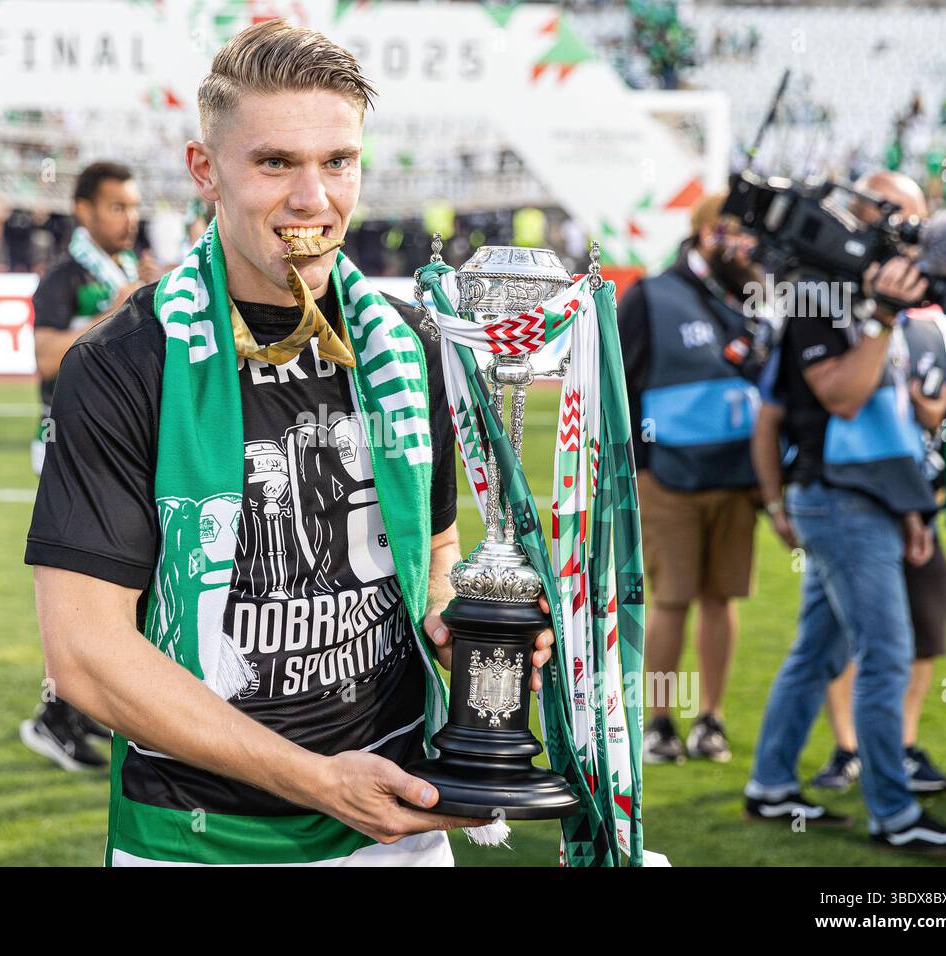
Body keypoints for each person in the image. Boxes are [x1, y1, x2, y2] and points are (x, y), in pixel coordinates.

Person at [27, 20, 555, 866]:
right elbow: (86, 656)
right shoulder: (126, 362)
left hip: (400, 819)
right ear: (207, 171)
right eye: (275, 163)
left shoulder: (410, 343)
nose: (314, 198)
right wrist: (316, 779)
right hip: (196, 837)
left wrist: (471, 629)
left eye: (337, 162)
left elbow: (439, 548)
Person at [742, 170, 946, 858]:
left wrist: (913, 504)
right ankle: (894, 812)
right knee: (886, 655)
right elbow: (844, 398)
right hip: (839, 499)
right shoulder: (822, 297)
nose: (917, 247)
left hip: (874, 496)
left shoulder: (869, 301)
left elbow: (891, 422)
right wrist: (882, 317)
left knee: (817, 651)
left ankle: (769, 784)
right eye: (904, 227)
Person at [19, 161, 158, 772]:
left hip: (127, 447)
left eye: (132, 206)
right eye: (115, 207)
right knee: (76, 589)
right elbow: (46, 358)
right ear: (83, 211)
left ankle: (78, 710)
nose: (129, 218)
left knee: (122, 589)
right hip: (70, 448)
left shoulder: (133, 269)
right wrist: (119, 308)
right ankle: (54, 716)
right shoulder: (65, 276)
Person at [618, 192, 764, 764]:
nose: (747, 246)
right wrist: (639, 470)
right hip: (667, 478)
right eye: (736, 233)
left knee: (721, 599)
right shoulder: (652, 295)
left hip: (736, 478)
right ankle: (658, 722)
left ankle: (711, 718)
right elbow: (620, 387)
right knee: (672, 601)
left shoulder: (752, 296)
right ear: (707, 234)